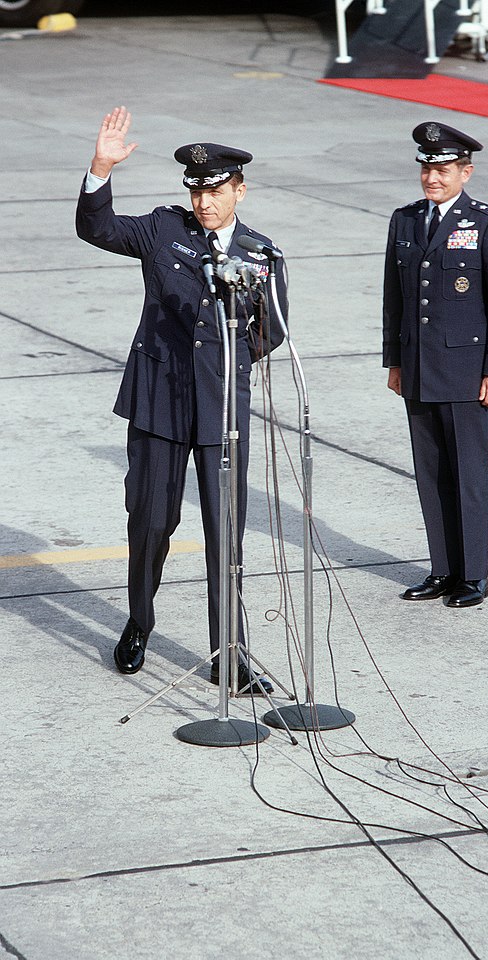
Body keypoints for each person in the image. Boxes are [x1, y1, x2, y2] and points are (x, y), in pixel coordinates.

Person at [76, 106, 287, 689]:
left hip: (220, 411)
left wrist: (225, 356)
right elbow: (98, 229)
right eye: (196, 191)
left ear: (239, 190)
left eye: (215, 190)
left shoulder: (261, 254)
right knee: (149, 521)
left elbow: (273, 332)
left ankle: (229, 653)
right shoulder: (162, 229)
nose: (204, 202)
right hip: (157, 401)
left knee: (225, 532)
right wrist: (101, 167)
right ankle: (139, 621)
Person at [383, 122, 488, 608]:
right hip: (420, 369)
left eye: (442, 169)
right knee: (431, 473)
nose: (432, 178)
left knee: (469, 473)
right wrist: (395, 361)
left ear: (466, 172)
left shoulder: (486, 223)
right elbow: (395, 299)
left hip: (468, 373)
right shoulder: (404, 221)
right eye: (427, 168)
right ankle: (443, 569)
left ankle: (473, 575)